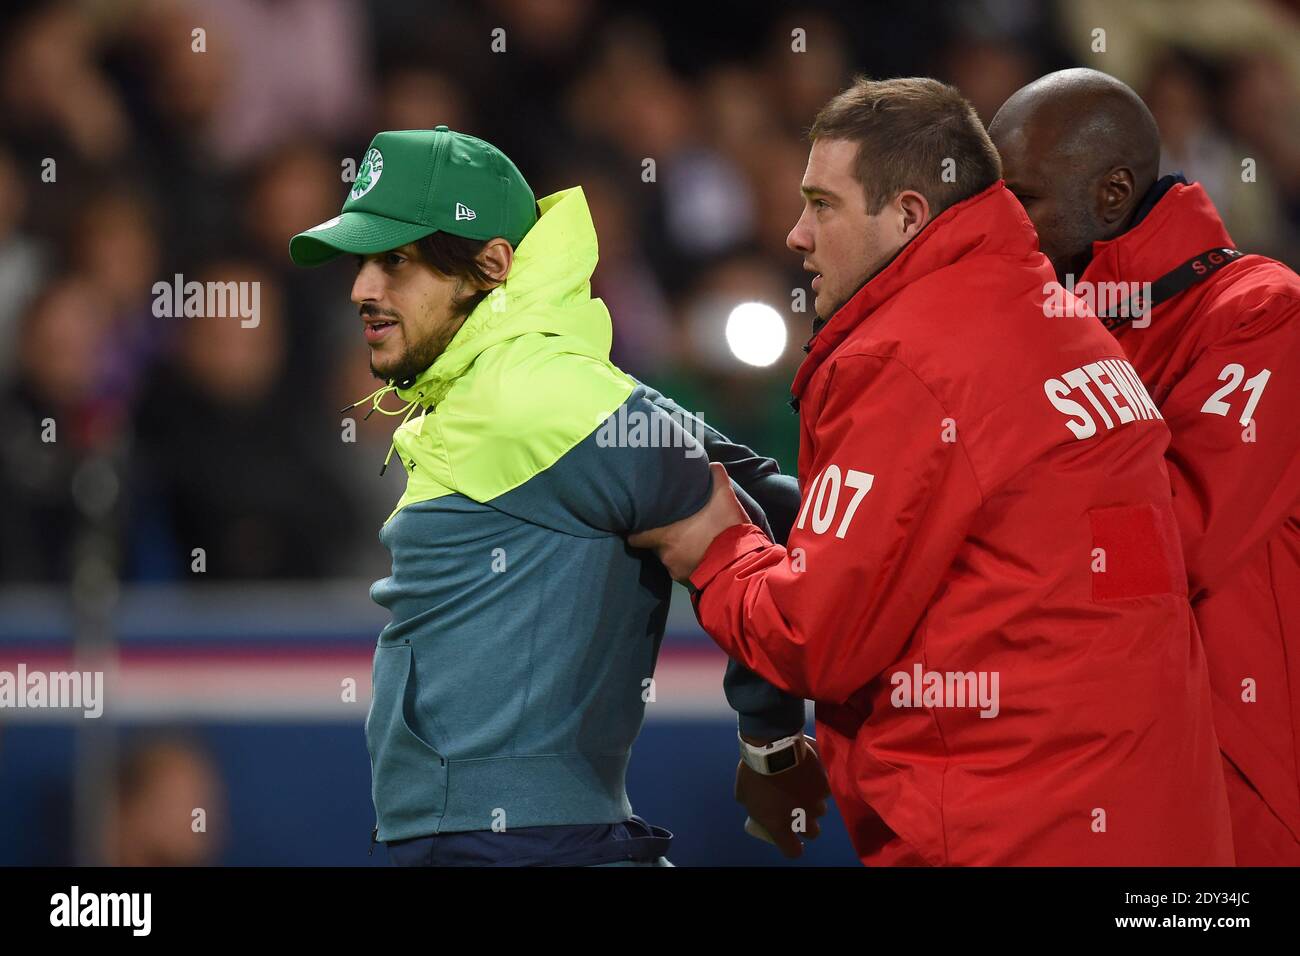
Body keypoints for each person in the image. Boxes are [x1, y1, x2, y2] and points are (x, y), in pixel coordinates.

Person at [631, 77, 1235, 865]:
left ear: (909, 215)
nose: (795, 235)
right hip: (1163, 830)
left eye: (822, 204)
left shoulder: (907, 361)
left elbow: (816, 637)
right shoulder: (1070, 327)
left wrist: (715, 549)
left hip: (1016, 833)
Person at [289, 126, 825, 865]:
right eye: (362, 264)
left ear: (491, 263)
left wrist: (774, 744)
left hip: (515, 847)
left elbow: (739, 532)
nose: (362, 290)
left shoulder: (531, 394)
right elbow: (757, 488)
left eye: (396, 261)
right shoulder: (530, 382)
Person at [990, 68, 1300, 865]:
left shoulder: (1262, 314)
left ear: (1113, 191)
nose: (1000, 225)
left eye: (1021, 199)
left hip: (1250, 792)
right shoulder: (1046, 329)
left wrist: (1010, 542)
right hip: (1113, 781)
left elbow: (1178, 543)